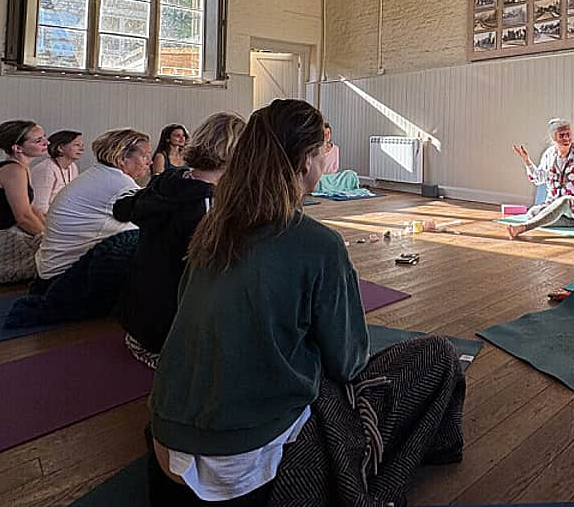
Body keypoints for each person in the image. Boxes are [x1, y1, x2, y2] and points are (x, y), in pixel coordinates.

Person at [148, 99, 465, 506]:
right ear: (305, 161)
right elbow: (348, 363)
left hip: (167, 442)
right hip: (244, 459)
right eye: (321, 153)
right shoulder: (317, 243)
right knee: (438, 356)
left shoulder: (213, 228)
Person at [116, 112, 246, 366]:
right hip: (168, 332)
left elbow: (123, 208)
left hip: (138, 317)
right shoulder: (203, 205)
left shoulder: (168, 182)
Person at [4, 129, 150, 327]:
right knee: (134, 242)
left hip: (48, 274)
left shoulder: (99, 174)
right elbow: (150, 221)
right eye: (144, 156)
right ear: (123, 158)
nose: (148, 161)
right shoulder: (118, 183)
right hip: (63, 278)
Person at [0, 121, 48, 285]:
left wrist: (51, 231)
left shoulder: (22, 168)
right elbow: (24, 217)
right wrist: (50, 240)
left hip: (7, 238)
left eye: (44, 138)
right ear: (17, 148)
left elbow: (31, 209)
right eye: (38, 140)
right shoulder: (13, 171)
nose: (46, 143)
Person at [508, 118, 574, 238]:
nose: (567, 138)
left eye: (569, 134)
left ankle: (523, 227)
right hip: (553, 204)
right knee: (532, 213)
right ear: (553, 138)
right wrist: (527, 161)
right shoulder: (549, 154)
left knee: (565, 201)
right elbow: (538, 179)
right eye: (562, 135)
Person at [31, 130, 84, 215]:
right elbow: (39, 207)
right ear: (60, 148)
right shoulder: (46, 169)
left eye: (82, 145)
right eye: (77, 145)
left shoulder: (72, 166)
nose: (82, 149)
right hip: (47, 219)